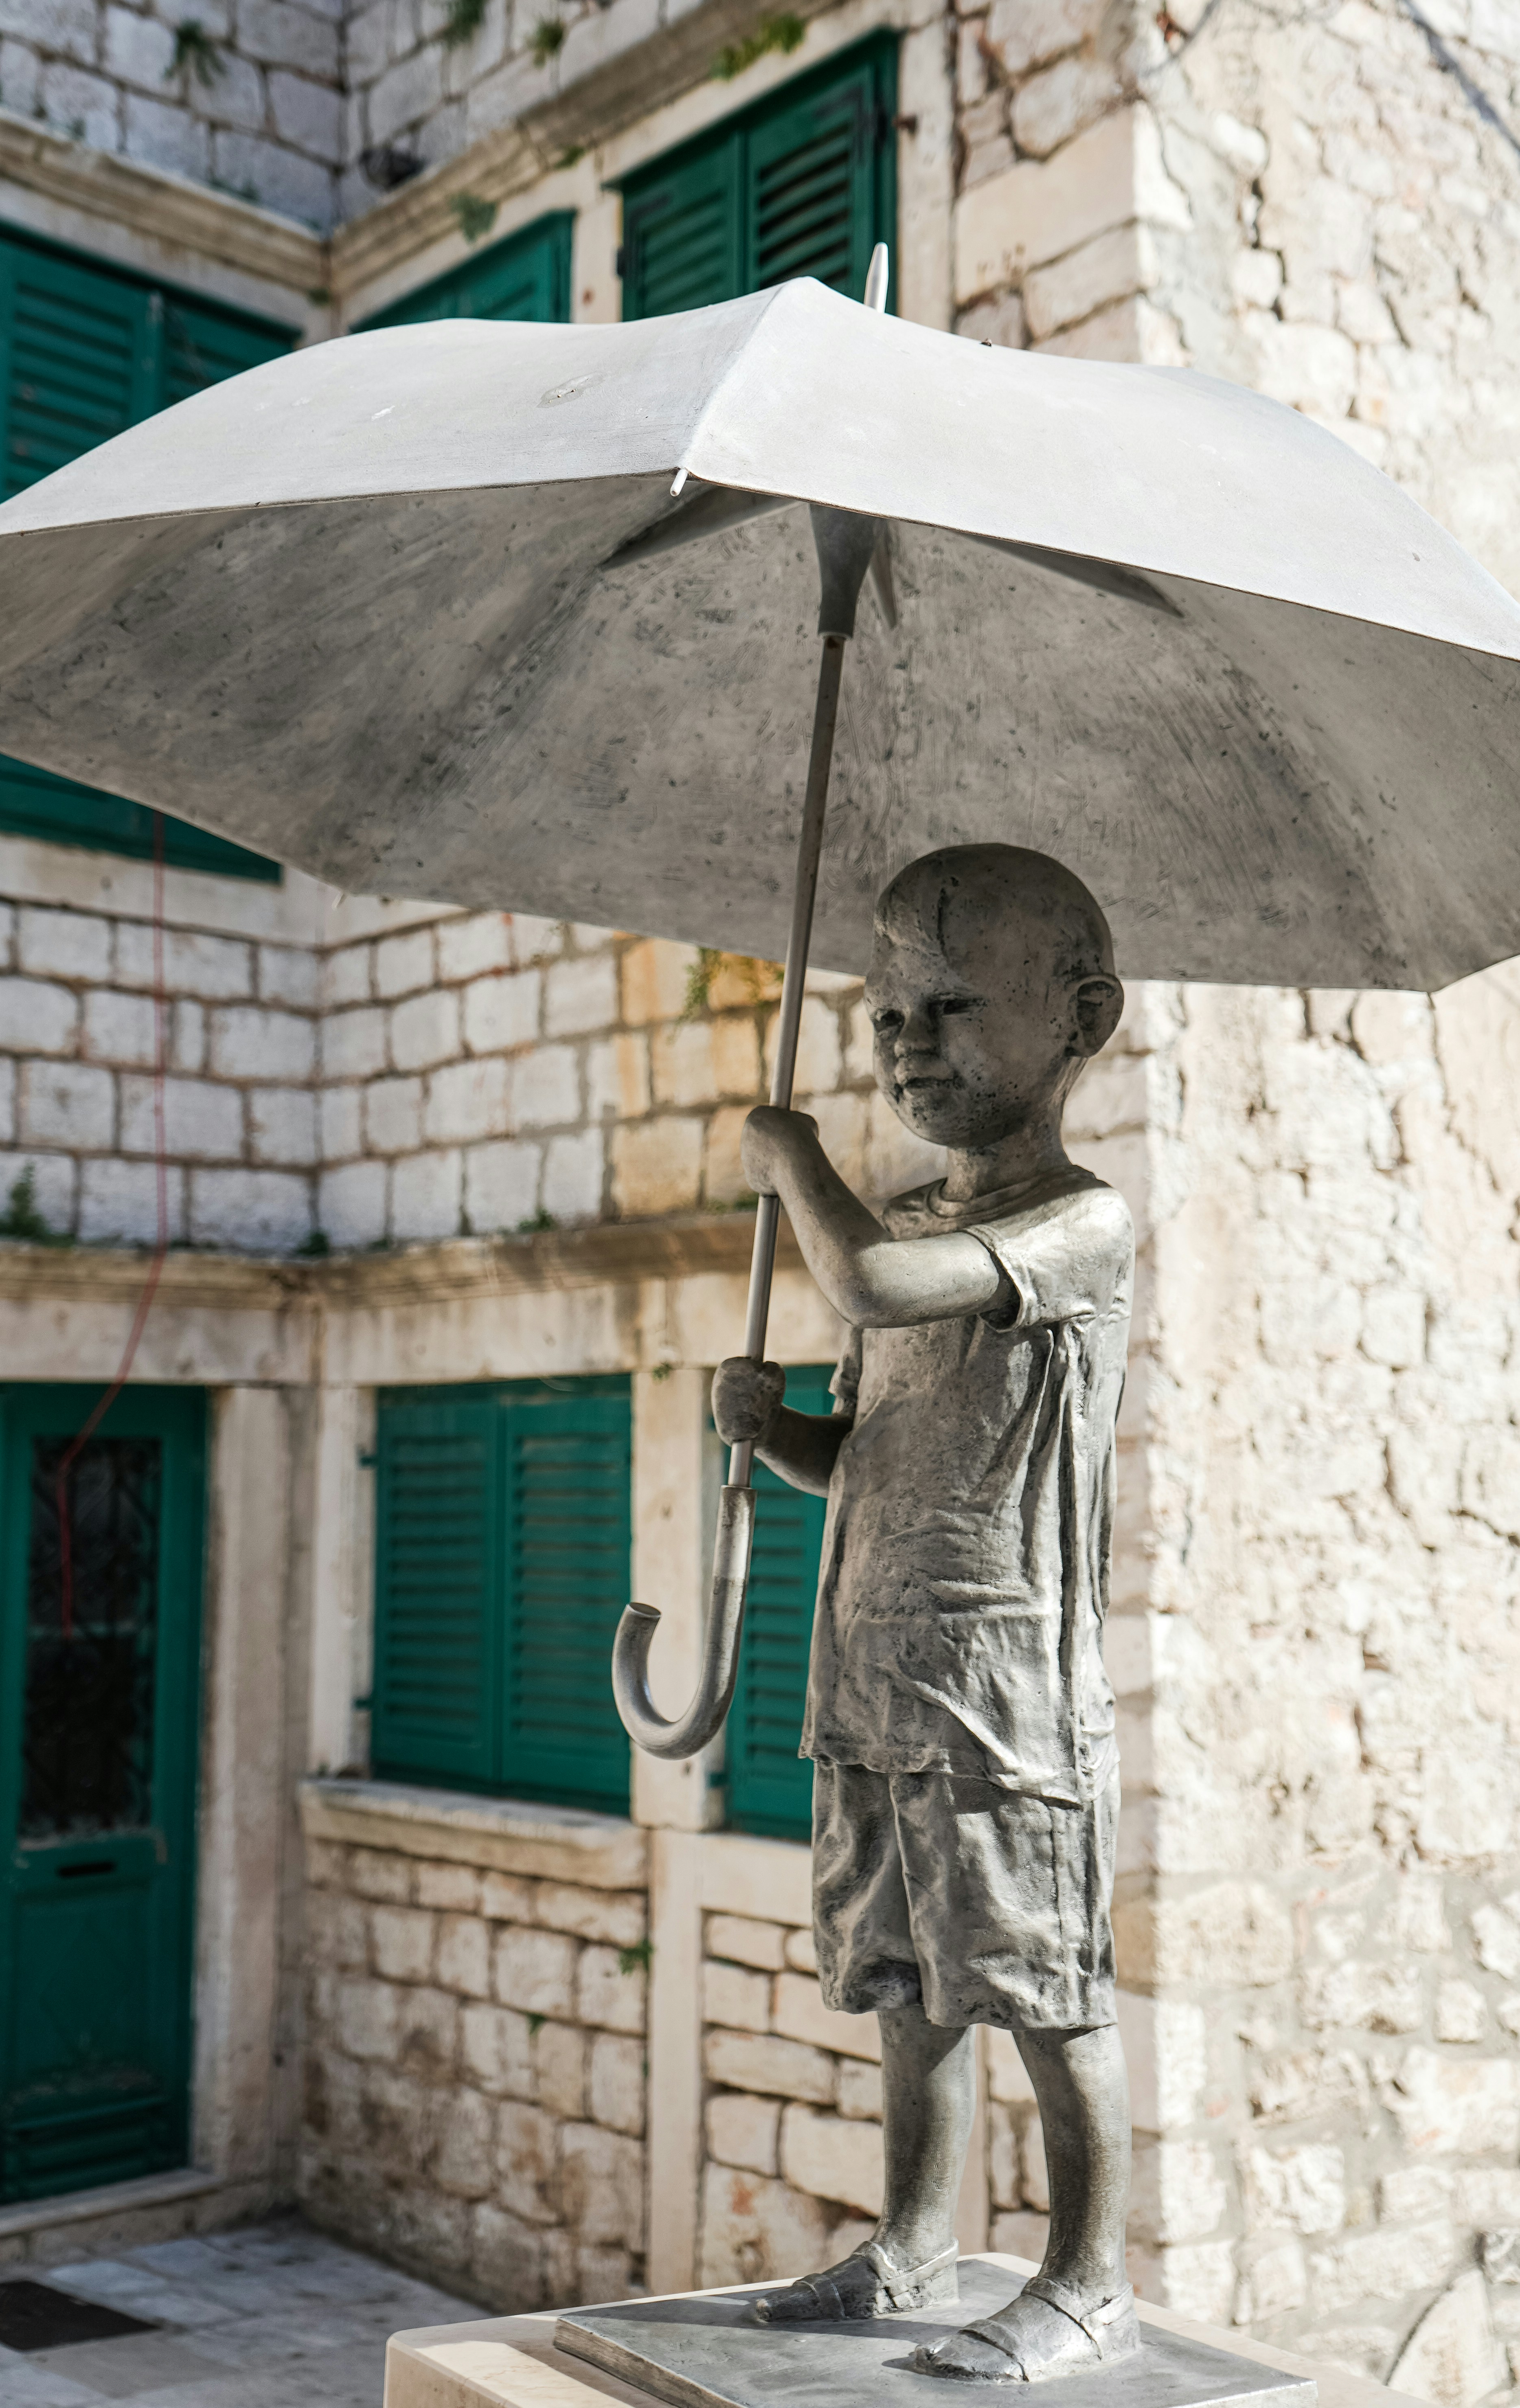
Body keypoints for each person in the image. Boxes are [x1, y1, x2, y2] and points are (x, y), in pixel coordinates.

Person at [711, 843, 1137, 2383]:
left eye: (952, 1005)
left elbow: (882, 1286)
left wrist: (789, 1160)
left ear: (1078, 1015)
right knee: (911, 1979)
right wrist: (778, 1435)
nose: (907, 1040)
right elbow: (870, 1455)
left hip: (1003, 1678)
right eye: (890, 1010)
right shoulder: (897, 1221)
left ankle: (1091, 2278)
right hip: (877, 1664)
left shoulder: (1078, 1223)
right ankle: (911, 2243)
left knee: (1041, 1980)